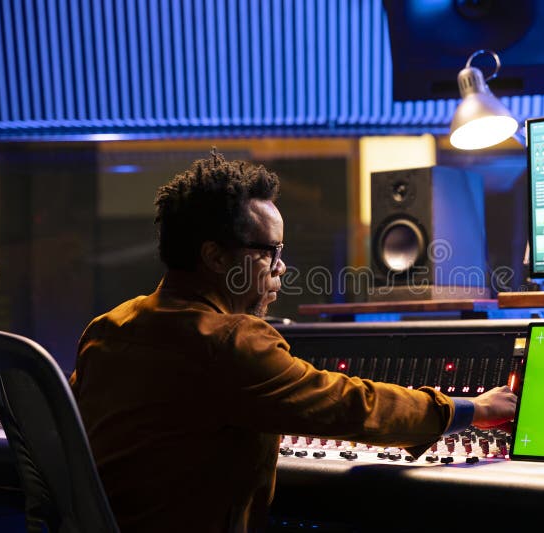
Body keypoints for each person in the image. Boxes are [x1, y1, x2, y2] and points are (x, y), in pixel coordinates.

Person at [69, 149, 517, 533]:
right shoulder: (228, 341)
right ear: (214, 256)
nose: (282, 267)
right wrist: (472, 409)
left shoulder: (107, 328)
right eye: (271, 251)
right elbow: (353, 406)